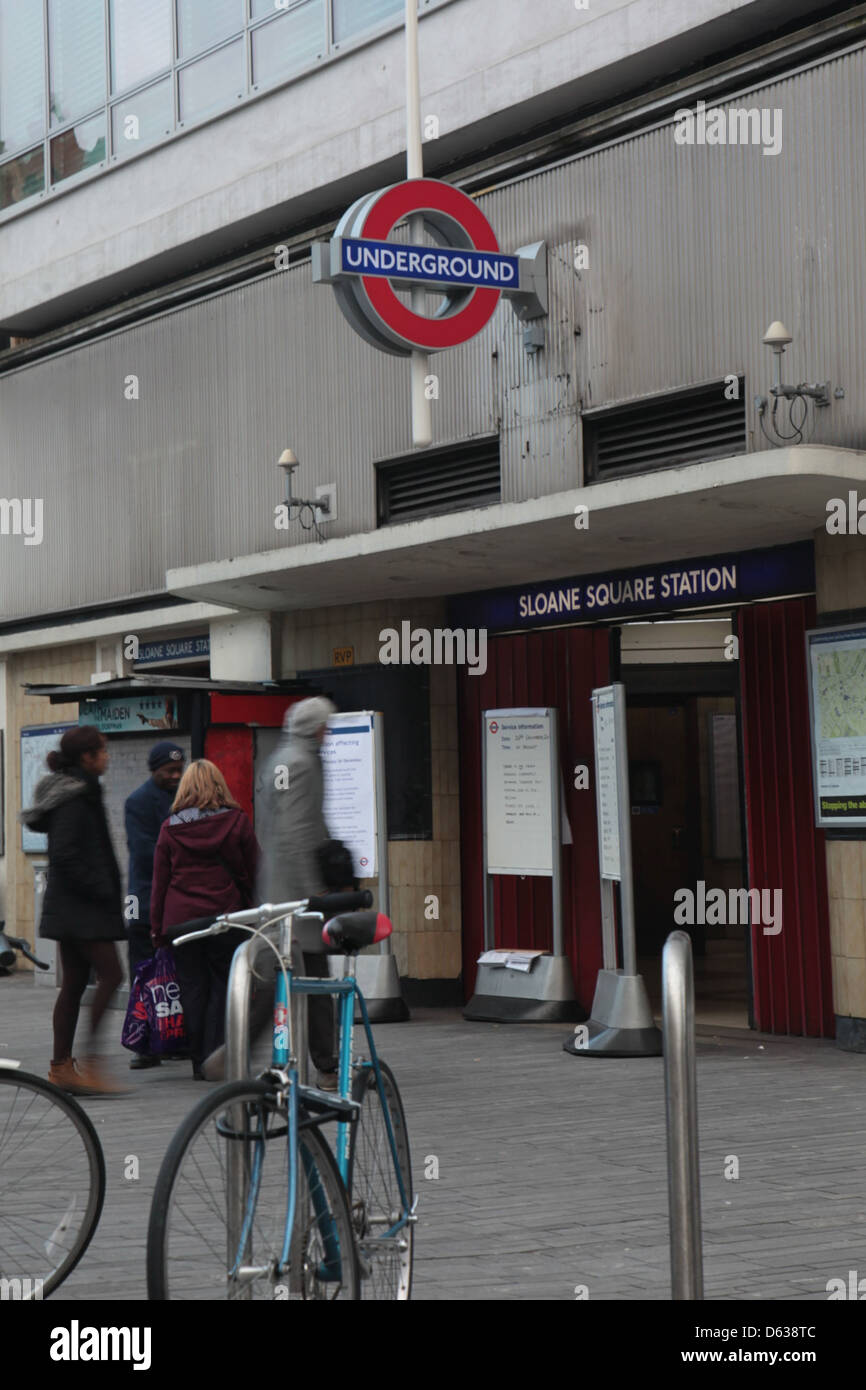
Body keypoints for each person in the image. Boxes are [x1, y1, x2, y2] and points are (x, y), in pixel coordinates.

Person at [20, 726, 126, 1096]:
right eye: (103, 751)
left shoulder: (79, 791)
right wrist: (100, 888)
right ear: (86, 757)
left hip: (74, 907)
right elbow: (65, 854)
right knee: (112, 975)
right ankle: (91, 1063)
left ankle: (62, 1067)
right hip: (81, 909)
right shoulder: (74, 798)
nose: (107, 757)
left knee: (76, 984)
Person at [150, 760, 259, 1079]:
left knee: (192, 989)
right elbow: (255, 871)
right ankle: (220, 1053)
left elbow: (160, 883)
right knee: (226, 986)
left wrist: (157, 929)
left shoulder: (169, 828)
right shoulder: (238, 821)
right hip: (227, 917)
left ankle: (199, 1060)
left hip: (183, 922)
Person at [258, 696, 339, 1089]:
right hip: (297, 895)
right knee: (316, 983)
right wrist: (315, 891)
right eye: (327, 726)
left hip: (275, 888)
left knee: (279, 978)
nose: (329, 733)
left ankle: (237, 1050)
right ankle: (326, 1065)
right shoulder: (304, 764)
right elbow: (297, 832)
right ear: (315, 728)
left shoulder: (279, 758)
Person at [123, 741, 185, 1070]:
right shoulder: (138, 802)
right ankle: (145, 1045)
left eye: (179, 770)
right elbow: (144, 852)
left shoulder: (186, 797)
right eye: (168, 771)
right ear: (154, 770)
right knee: (144, 971)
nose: (176, 776)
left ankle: (174, 1039)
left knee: (176, 972)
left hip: (175, 898)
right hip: (145, 898)